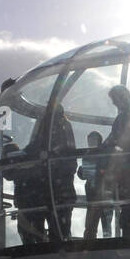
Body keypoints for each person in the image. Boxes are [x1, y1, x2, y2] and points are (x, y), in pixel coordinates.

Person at [101, 84, 130, 240]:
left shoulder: (127, 117)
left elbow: (120, 139)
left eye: (114, 99)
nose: (114, 103)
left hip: (127, 168)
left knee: (127, 202)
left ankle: (128, 235)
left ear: (122, 98)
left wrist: (107, 148)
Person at [49, 102, 77, 240]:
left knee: (60, 216)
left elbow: (68, 148)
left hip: (59, 181)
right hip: (60, 183)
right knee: (61, 217)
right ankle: (62, 239)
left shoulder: (61, 126)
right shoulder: (64, 125)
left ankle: (61, 240)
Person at [79, 132, 113, 240]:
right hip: (101, 193)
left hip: (96, 193)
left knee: (94, 223)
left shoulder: (89, 155)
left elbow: (85, 174)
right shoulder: (102, 154)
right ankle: (102, 243)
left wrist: (82, 171)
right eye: (90, 140)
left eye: (92, 140)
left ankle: (89, 243)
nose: (90, 143)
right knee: (102, 223)